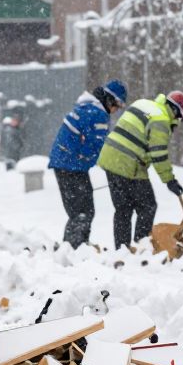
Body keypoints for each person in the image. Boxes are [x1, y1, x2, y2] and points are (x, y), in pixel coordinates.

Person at [97, 90, 183, 249]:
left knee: (123, 209)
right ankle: (142, 246)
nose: (177, 122)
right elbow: (158, 154)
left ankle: (122, 249)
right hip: (128, 163)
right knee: (148, 206)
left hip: (110, 158)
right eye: (179, 118)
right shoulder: (161, 120)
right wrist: (170, 180)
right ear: (175, 111)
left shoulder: (142, 103)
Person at [47, 80, 127, 248]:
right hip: (71, 166)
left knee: (81, 210)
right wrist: (114, 171)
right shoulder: (98, 115)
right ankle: (74, 248)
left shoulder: (87, 107)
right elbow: (94, 148)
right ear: (109, 99)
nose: (117, 110)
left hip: (66, 163)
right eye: (117, 105)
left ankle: (75, 246)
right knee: (82, 212)